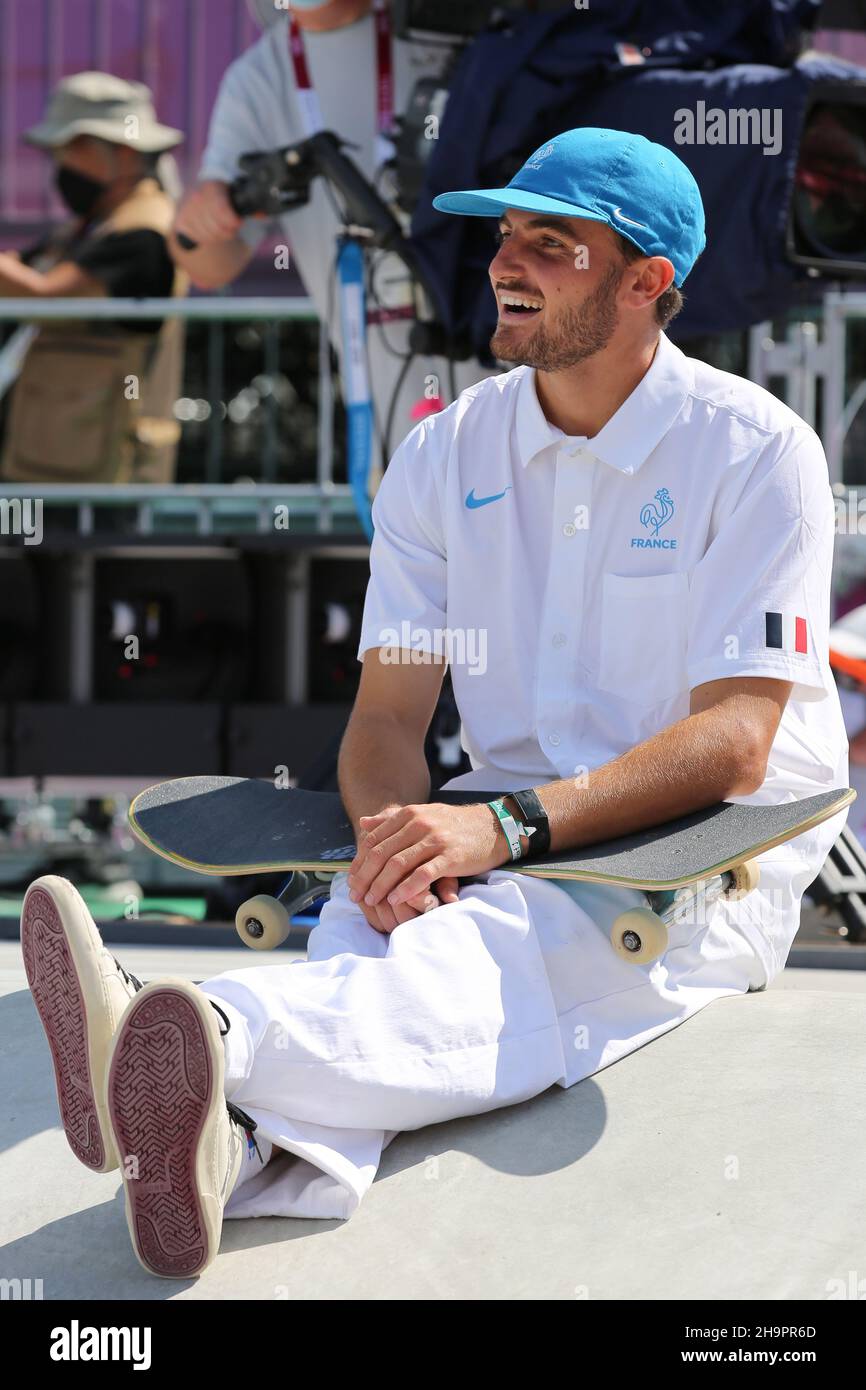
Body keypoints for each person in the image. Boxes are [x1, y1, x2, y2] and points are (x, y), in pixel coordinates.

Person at [21, 127, 849, 1279]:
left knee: (498, 945)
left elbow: (735, 743)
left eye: (550, 245)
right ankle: (233, 1149)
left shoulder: (758, 452)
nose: (503, 262)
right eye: (503, 233)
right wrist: (385, 845)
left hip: (703, 846)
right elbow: (384, 727)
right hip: (496, 818)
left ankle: (207, 1033)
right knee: (375, 938)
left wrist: (495, 833)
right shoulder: (439, 455)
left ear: (646, 283)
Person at [169, 2, 495, 499]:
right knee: (421, 549)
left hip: (500, 349)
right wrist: (205, 216)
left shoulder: (447, 28)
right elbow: (211, 265)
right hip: (384, 387)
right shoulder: (259, 77)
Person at [0, 72, 188, 483]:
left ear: (123, 153)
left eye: (73, 148)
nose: (60, 165)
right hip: (61, 454)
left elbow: (48, 299)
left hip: (103, 470)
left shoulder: (142, 232)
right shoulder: (93, 224)